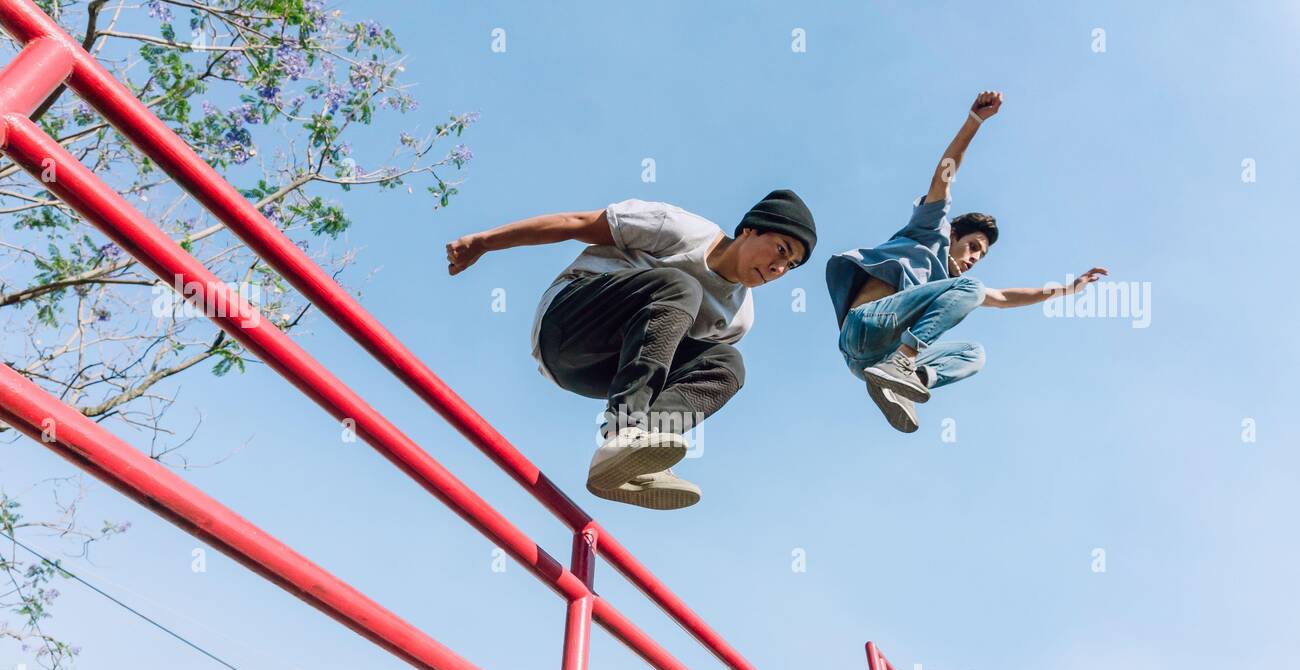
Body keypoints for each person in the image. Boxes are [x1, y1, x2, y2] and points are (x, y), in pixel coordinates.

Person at [447, 190, 817, 508]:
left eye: (790, 265)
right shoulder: (679, 229)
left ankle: (638, 458)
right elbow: (574, 222)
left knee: (729, 364)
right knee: (681, 287)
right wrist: (482, 242)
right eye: (781, 250)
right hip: (567, 324)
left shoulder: (739, 317)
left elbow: (678, 373)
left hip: (596, 373)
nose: (779, 267)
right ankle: (624, 429)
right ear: (749, 229)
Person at [825, 91, 1107, 432]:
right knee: (971, 289)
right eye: (972, 246)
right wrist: (974, 122)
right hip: (865, 325)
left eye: (981, 255)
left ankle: (905, 381)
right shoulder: (930, 231)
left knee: (974, 354)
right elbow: (944, 175)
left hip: (867, 363)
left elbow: (1004, 299)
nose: (974, 257)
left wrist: (1066, 289)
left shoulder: (948, 291)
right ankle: (903, 362)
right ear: (954, 233)